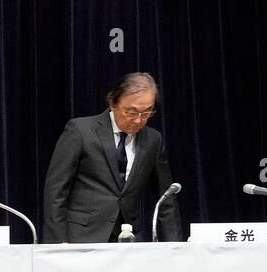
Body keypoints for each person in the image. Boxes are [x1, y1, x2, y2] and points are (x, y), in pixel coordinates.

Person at [43, 72, 183, 243]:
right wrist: (57, 244)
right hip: (81, 238)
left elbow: (166, 199)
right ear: (113, 103)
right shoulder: (80, 131)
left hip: (128, 240)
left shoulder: (153, 140)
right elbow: (56, 192)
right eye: (131, 112)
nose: (139, 120)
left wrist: (175, 247)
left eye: (147, 113)